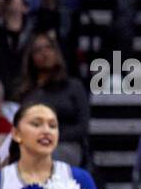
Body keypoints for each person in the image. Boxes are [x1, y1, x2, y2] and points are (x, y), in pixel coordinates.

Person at [14, 33, 89, 167]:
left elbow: (82, 127)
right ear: (31, 58)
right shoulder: (26, 92)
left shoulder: (73, 86)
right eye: (38, 50)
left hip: (65, 144)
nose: (44, 53)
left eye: (48, 48)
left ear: (56, 52)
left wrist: (49, 136)